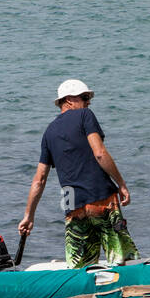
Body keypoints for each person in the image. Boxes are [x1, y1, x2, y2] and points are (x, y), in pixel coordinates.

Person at [19, 80, 139, 269]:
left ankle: (81, 294)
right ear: (69, 100)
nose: (88, 102)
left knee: (80, 265)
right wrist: (121, 184)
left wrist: (29, 216)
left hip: (71, 202)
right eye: (84, 98)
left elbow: (39, 180)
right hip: (100, 196)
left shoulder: (48, 133)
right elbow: (99, 153)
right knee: (119, 258)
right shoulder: (84, 115)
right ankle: (125, 290)